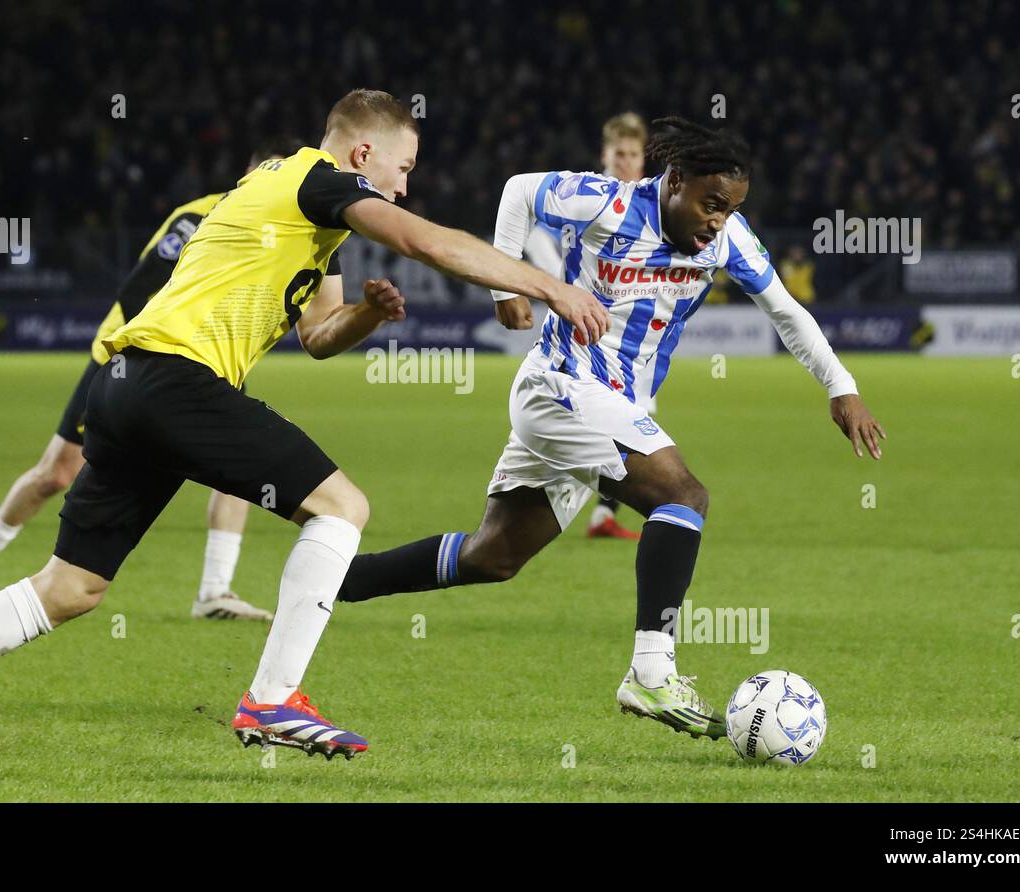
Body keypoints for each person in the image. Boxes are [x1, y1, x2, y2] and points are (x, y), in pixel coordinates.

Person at [0, 89, 609, 777]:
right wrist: (550, 285)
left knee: (71, 587)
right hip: (176, 381)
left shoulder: (292, 203)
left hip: (128, 388)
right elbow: (423, 240)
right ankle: (273, 699)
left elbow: (315, 336)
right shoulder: (316, 178)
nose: (406, 185)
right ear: (363, 152)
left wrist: (368, 315)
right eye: (403, 168)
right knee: (341, 508)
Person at [336, 117, 885, 741]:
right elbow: (519, 189)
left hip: (610, 408)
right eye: (709, 204)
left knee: (493, 556)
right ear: (673, 181)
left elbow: (787, 311)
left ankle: (336, 582)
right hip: (562, 386)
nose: (716, 221)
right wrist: (503, 281)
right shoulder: (607, 202)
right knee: (683, 496)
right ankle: (651, 672)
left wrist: (842, 388)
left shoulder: (727, 240)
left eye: (729, 210)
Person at [0, 141, 305, 623]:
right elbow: (136, 291)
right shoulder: (199, 217)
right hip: (132, 357)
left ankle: (215, 590)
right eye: (264, 173)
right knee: (56, 473)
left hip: (205, 367)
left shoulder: (280, 233)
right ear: (248, 175)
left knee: (238, 468)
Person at [494, 112, 650, 540]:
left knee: (625, 423)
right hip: (578, 335)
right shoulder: (585, 196)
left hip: (627, 344)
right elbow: (531, 229)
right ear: (606, 154)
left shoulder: (650, 201)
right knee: (610, 424)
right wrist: (548, 283)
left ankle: (587, 512)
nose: (627, 161)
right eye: (620, 153)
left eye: (634, 154)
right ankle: (554, 504)